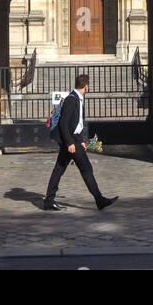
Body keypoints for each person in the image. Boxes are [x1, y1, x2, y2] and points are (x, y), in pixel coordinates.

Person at [44, 73, 117, 212]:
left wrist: (80, 140)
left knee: (59, 168)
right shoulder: (72, 100)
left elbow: (75, 124)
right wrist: (70, 143)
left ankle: (49, 200)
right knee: (86, 168)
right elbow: (64, 124)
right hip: (69, 141)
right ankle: (100, 200)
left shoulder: (78, 98)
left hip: (73, 139)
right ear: (86, 86)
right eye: (88, 86)